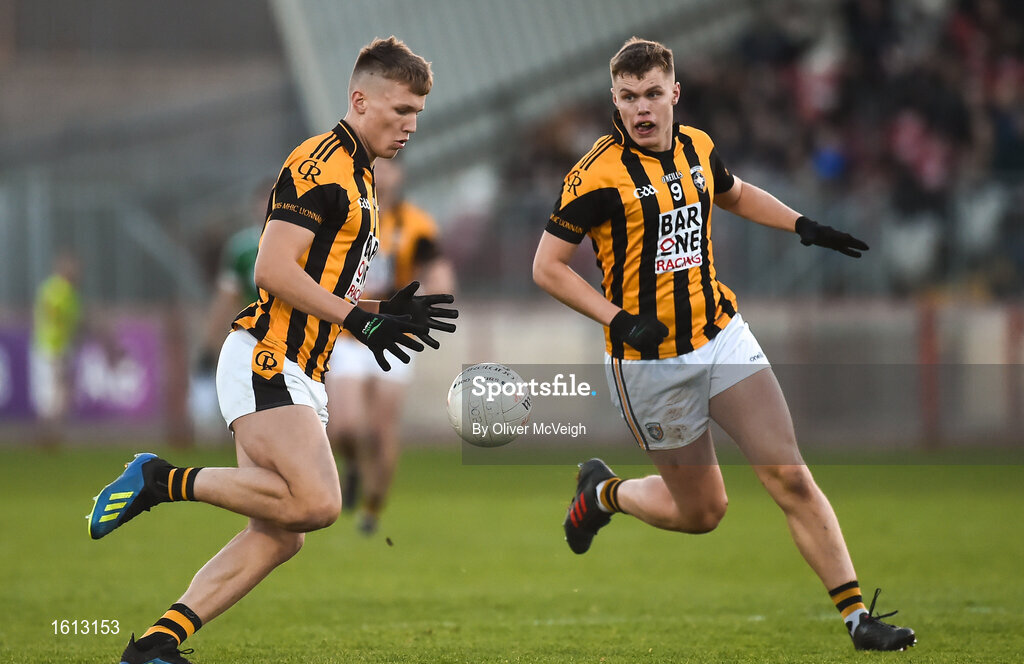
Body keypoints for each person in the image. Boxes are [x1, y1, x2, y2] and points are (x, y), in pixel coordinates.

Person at [532, 37, 915, 652]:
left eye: (653, 93)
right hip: (648, 363)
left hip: (720, 336)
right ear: (615, 101)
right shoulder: (594, 177)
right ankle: (603, 493)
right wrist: (619, 319)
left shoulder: (696, 146)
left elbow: (731, 193)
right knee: (703, 513)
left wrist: (802, 225)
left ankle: (855, 619)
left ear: (674, 93)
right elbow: (546, 267)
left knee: (789, 475)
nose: (642, 109)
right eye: (629, 98)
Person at [87, 36, 457, 664]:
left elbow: (317, 283)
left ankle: (156, 644)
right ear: (360, 99)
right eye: (400, 110)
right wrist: (357, 323)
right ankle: (160, 479)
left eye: (417, 113)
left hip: (296, 367)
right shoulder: (321, 165)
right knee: (318, 503)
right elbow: (271, 269)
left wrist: (378, 312)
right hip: (268, 358)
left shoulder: (363, 177)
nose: (410, 125)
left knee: (281, 535)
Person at [326, 156, 456, 535]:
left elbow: (437, 269)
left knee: (382, 430)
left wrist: (437, 295)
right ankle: (353, 466)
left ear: (401, 175)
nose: (381, 175)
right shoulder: (344, 216)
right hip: (350, 331)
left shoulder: (416, 224)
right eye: (375, 167)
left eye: (389, 167)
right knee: (345, 427)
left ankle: (372, 508)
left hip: (394, 332)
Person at [30, 250, 81, 448]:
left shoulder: (62, 291)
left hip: (56, 346)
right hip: (53, 347)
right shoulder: (58, 291)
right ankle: (48, 434)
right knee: (55, 393)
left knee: (59, 393)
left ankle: (50, 434)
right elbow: (53, 318)